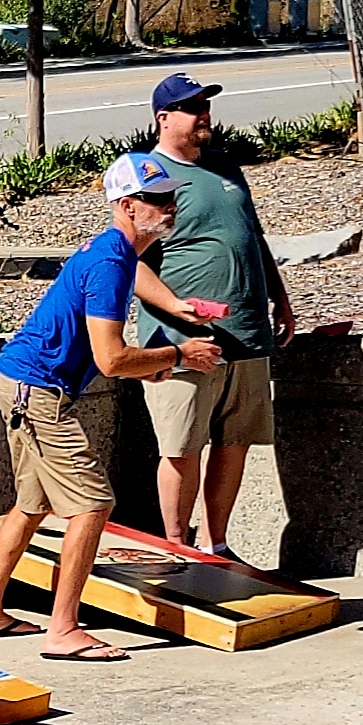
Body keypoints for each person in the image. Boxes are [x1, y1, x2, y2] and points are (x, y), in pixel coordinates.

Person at [0, 152, 221, 661]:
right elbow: (111, 358)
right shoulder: (109, 262)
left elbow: (124, 316)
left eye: (172, 198)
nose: (169, 207)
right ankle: (63, 630)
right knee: (92, 503)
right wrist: (178, 353)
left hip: (23, 381)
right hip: (36, 388)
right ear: (127, 205)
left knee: (32, 505)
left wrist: (162, 351)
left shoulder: (119, 254)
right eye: (157, 200)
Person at [133, 72, 296, 558]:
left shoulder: (226, 167)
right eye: (190, 107)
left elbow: (254, 237)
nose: (203, 114)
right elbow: (129, 262)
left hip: (245, 332)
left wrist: (280, 297)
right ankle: (177, 547)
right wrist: (174, 306)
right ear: (163, 118)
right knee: (183, 446)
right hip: (183, 340)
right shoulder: (148, 175)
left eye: (205, 105)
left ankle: (216, 543)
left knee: (235, 440)